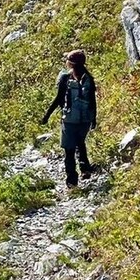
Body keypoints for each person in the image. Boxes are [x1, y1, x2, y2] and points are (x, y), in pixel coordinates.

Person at [40, 49, 97, 188]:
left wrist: (46, 116)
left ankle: (72, 182)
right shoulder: (89, 78)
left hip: (69, 119)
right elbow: (92, 100)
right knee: (80, 142)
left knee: (69, 151)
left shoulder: (65, 78)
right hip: (85, 120)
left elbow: (58, 98)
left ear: (70, 64)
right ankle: (85, 168)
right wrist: (94, 118)